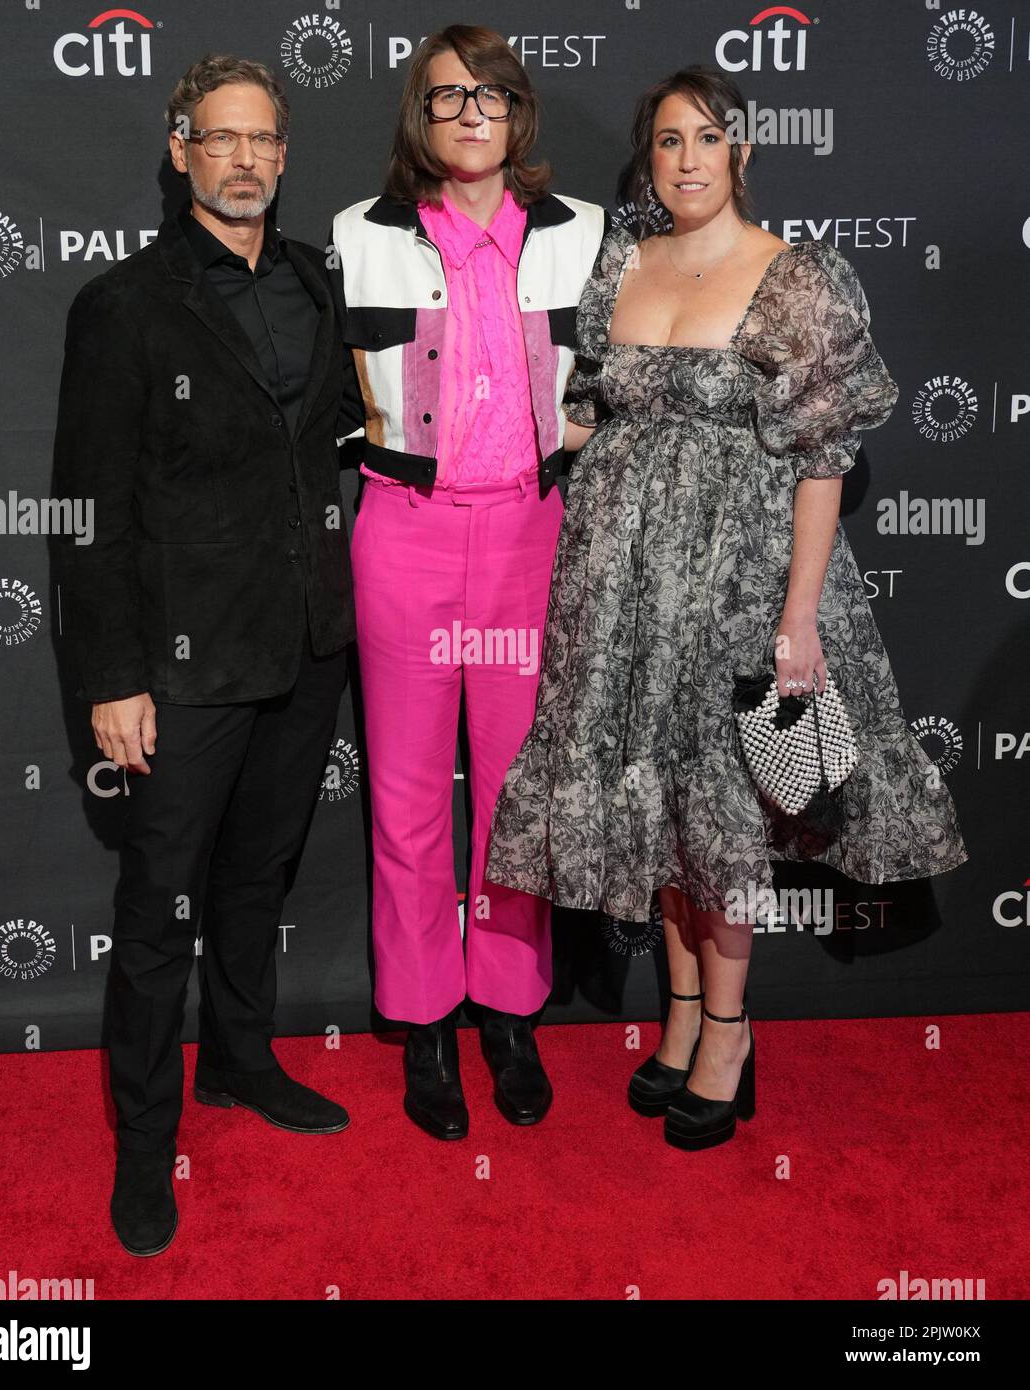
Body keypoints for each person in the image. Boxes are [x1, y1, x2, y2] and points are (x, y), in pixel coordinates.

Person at [484, 65, 968, 1151]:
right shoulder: (622, 256)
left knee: (723, 810)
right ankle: (681, 1013)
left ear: (739, 151)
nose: (687, 157)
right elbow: (585, 412)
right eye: (667, 140)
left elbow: (820, 461)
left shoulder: (796, 278)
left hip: (739, 581)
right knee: (655, 793)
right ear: (646, 157)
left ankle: (729, 1033)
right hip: (619, 583)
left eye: (706, 137)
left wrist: (796, 618)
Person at [52, 54, 363, 1255]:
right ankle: (143, 1144)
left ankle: (240, 1063)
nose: (243, 158)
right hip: (179, 669)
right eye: (218, 138)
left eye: (262, 140)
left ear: (284, 158)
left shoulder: (312, 283)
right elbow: (88, 509)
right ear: (180, 152)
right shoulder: (123, 305)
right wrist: (111, 679)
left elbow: (351, 437)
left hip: (302, 647)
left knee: (255, 880)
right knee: (155, 910)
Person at [330, 25, 609, 1140]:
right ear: (421, 115)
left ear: (517, 111)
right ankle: (424, 1020)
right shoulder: (360, 235)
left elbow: (623, 380)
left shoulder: (582, 234)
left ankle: (505, 1011)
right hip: (401, 532)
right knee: (402, 797)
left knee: (511, 793)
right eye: (446, 97)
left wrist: (575, 434)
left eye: (489, 94)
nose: (469, 113)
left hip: (525, 540)